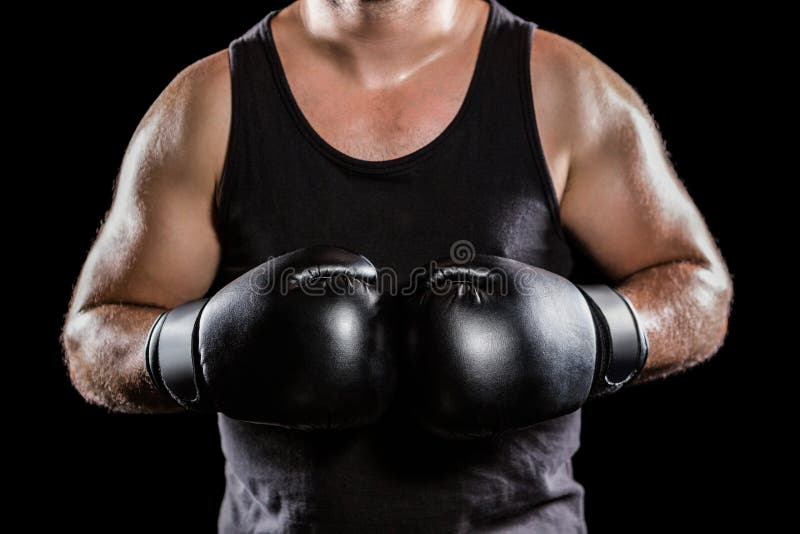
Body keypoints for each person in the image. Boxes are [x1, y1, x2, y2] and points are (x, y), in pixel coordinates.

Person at [62, 0, 732, 531]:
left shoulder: (563, 88)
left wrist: (594, 331)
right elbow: (95, 336)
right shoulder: (210, 104)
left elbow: (698, 288)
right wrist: (201, 347)